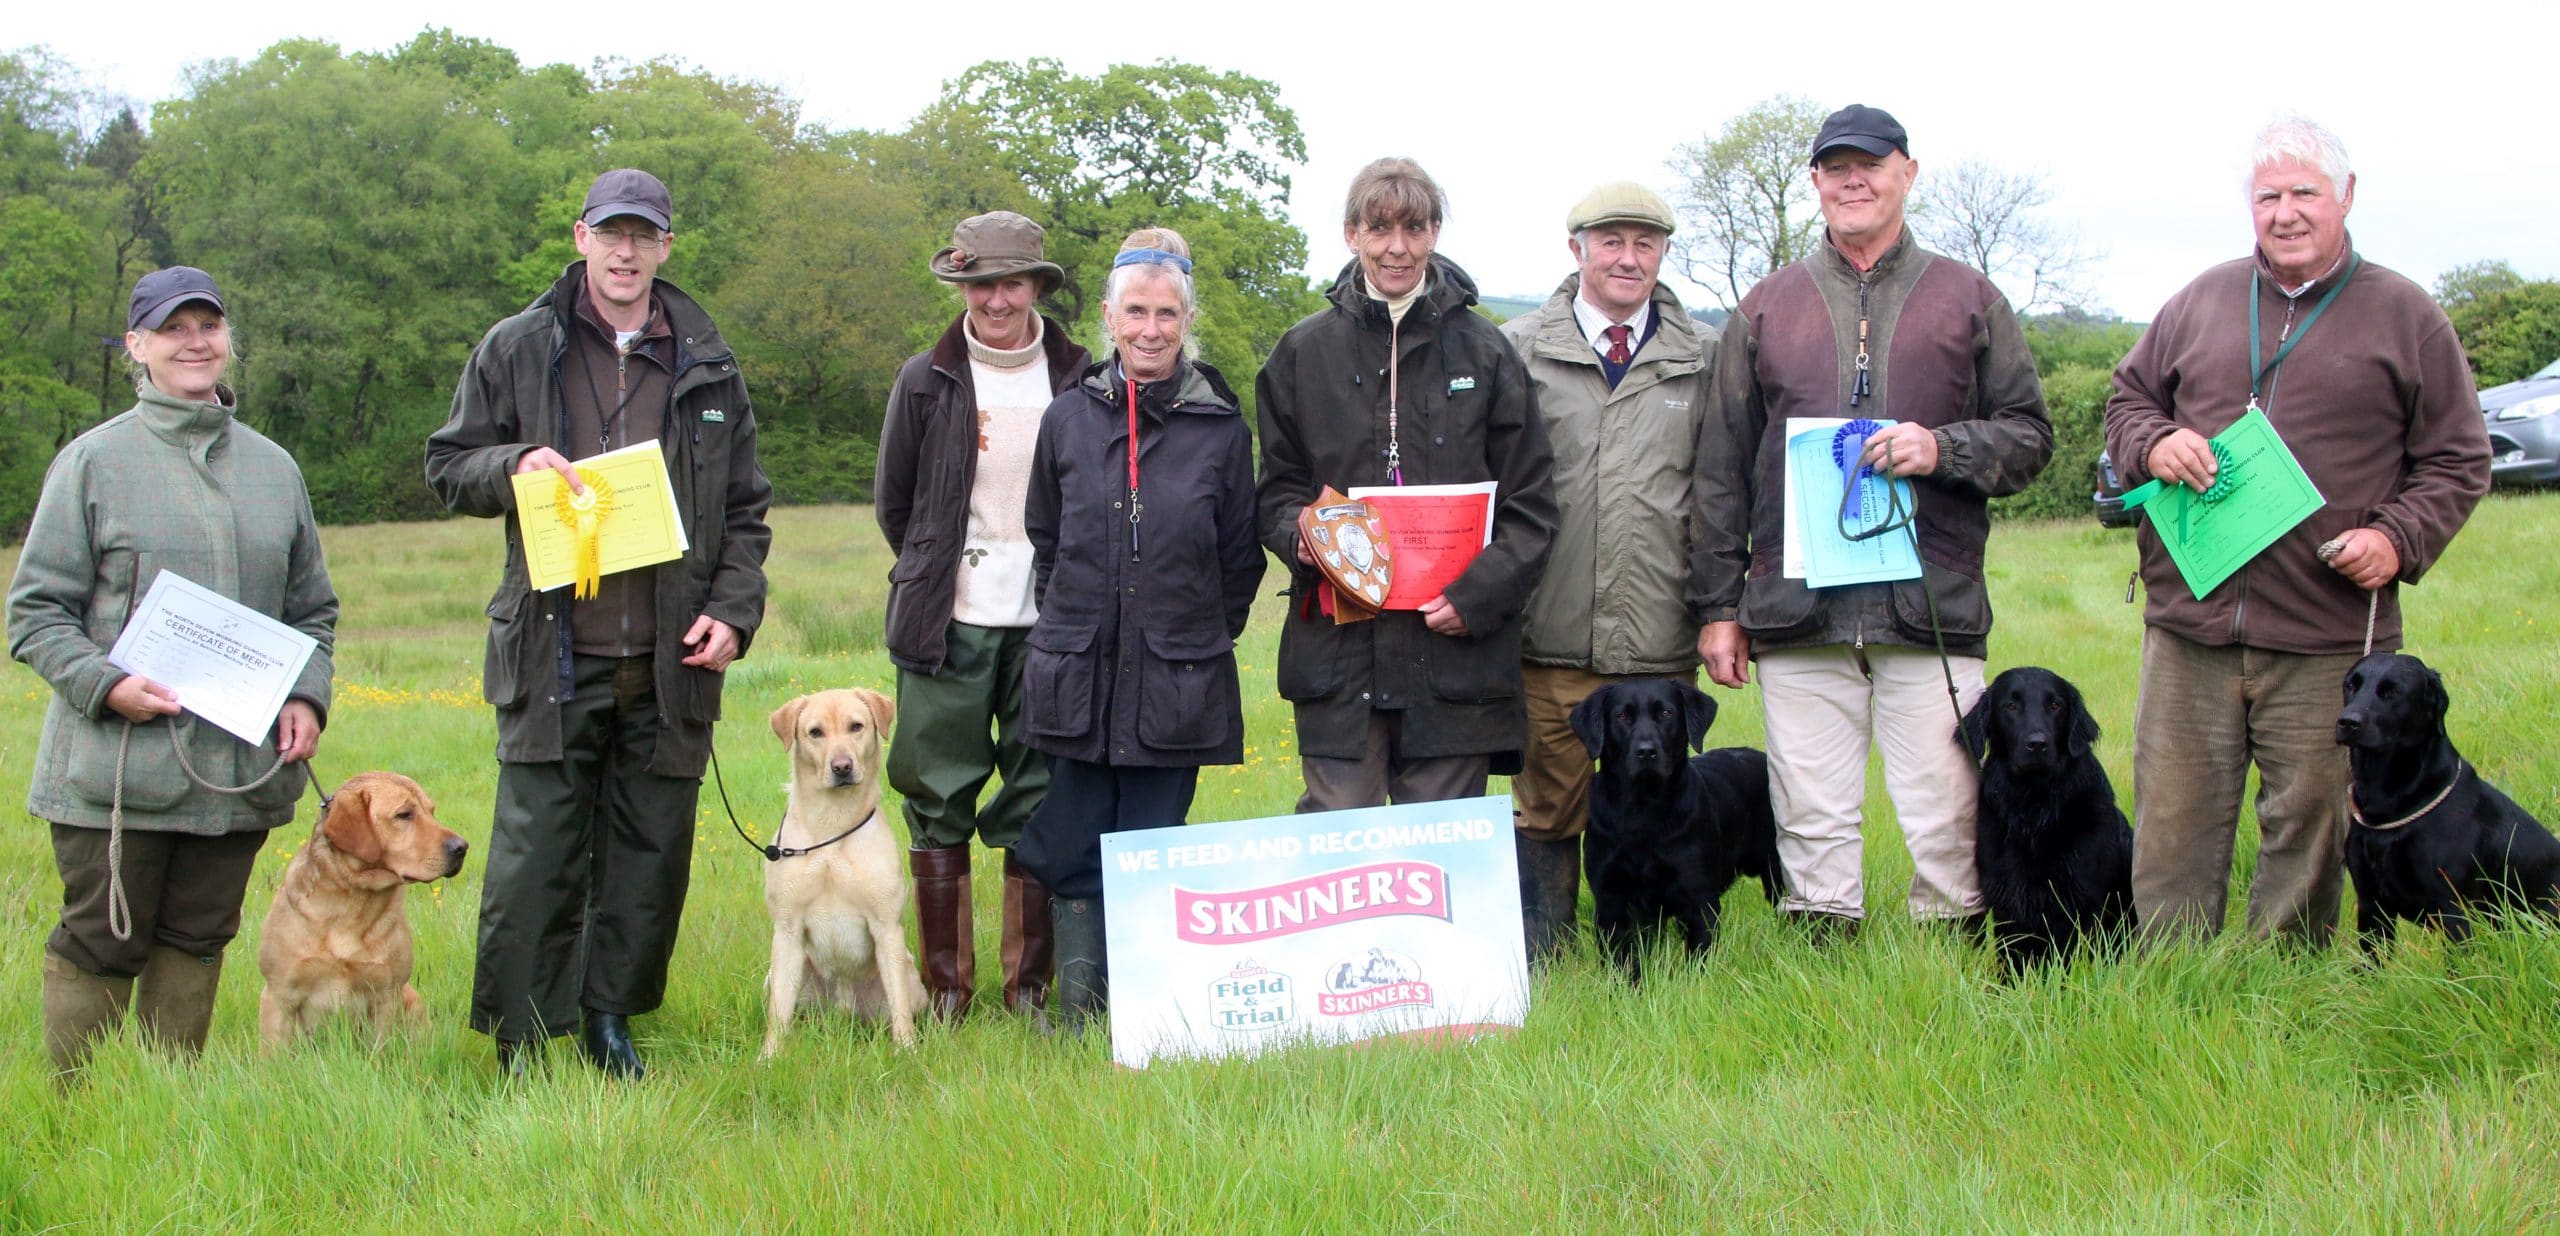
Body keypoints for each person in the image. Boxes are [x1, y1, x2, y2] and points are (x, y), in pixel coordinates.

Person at [2103, 116, 2490, 945]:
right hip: (2190, 624)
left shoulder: (2406, 314)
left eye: (2305, 192)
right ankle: (2172, 987)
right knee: (2172, 818)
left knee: (2312, 822)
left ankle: (2282, 984)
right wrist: (2154, 442)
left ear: (2346, 198)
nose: (2285, 212)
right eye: (2268, 194)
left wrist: (2397, 538)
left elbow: (2460, 458)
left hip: (2329, 634)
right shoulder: (2200, 299)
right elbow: (2126, 401)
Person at [425, 168, 772, 1078]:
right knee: (534, 858)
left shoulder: (710, 363)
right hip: (552, 654)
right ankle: (520, 1035)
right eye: (610, 233)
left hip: (668, 660)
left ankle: (610, 1016)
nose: (626, 252)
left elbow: (746, 511)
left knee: (648, 853)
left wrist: (733, 613)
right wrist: (512, 465)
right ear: (580, 237)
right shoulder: (516, 346)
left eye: (643, 236)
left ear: (665, 246)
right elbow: (446, 464)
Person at [1698, 104, 2052, 936]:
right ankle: (1823, 958)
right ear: (1816, 182)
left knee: (1946, 812)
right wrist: (1718, 607)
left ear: (1908, 173)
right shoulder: (1765, 307)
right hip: (1796, 610)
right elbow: (1720, 468)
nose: (1853, 179)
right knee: (1810, 813)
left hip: (1930, 608)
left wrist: (1946, 448)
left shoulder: (1971, 299)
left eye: (1872, 163)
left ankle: (1947, 961)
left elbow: (2032, 438)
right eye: (1835, 166)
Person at [11, 266, 335, 1074]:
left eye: (208, 326)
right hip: (115, 772)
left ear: (227, 340)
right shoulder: (91, 463)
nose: (194, 342)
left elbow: (312, 612)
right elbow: (33, 614)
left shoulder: (274, 470)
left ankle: (164, 1106)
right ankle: (75, 1110)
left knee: (199, 934)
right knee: (103, 936)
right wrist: (104, 684)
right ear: (137, 346)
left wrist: (306, 694)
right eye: (172, 329)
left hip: (238, 775)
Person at [1011, 228, 1264, 1026]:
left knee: (1154, 846)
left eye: (1166, 313)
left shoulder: (1221, 429)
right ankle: (1083, 1012)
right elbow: (1046, 541)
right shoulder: (1066, 420)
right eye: (1135, 312)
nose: (1150, 329)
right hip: (1077, 675)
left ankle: (1149, 1015)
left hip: (1176, 681)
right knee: (1076, 843)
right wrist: (1078, 628)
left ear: (1188, 320)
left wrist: (1185, 640)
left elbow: (1238, 561)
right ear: (1107, 318)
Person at [1256, 157, 1557, 814]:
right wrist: (1299, 539)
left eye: (1415, 229)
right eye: (1380, 228)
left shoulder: (1487, 352)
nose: (1398, 247)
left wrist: (1477, 598)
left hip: (1453, 657)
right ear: (1350, 234)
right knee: (1341, 844)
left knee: (1441, 852)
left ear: (1435, 232)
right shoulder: (1301, 353)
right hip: (1338, 654)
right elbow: (1274, 491)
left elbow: (1532, 507)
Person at [875, 211, 1092, 1022]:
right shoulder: (924, 378)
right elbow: (897, 503)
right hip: (948, 621)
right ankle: (946, 991)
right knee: (938, 795)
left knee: (1036, 791)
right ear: (960, 287)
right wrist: (947, 572)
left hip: (1053, 621)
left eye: (1009, 282)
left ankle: (1028, 988)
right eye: (979, 284)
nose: (994, 300)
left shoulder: (1081, 377)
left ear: (1037, 286)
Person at [1497, 181, 1718, 961]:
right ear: (1577, 248)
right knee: (1549, 808)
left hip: (1659, 638)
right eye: (1611, 242)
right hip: (1548, 633)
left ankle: (1662, 946)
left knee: (1663, 801)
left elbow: (1721, 492)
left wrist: (1721, 607)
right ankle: (1548, 963)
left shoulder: (1704, 356)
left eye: (1645, 243)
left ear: (1662, 253)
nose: (1628, 258)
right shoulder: (1517, 348)